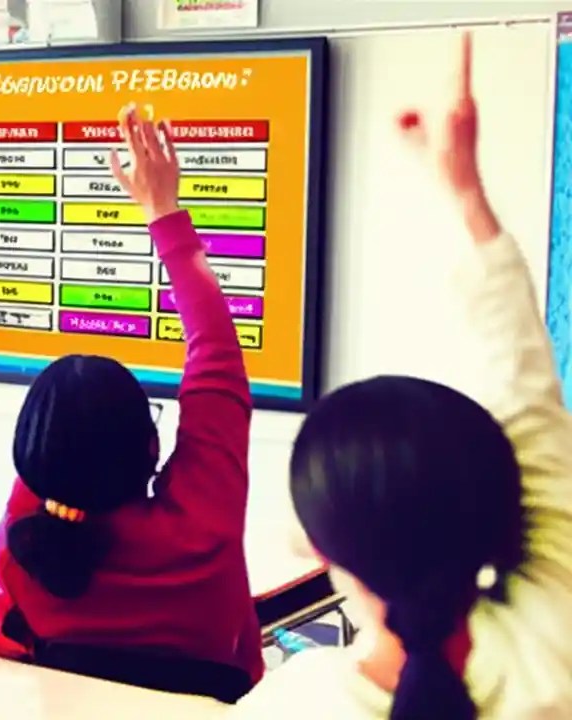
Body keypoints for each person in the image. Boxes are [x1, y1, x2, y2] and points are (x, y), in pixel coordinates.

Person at [229, 33, 572, 719]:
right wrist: (465, 197)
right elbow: (525, 383)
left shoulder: (299, 704)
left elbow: (530, 403)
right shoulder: (553, 635)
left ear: (318, 549)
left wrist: (464, 195)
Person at [0, 105, 262, 688]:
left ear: (28, 460)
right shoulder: (204, 528)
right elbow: (217, 353)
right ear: (152, 447)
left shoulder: (15, 558)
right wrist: (163, 211)